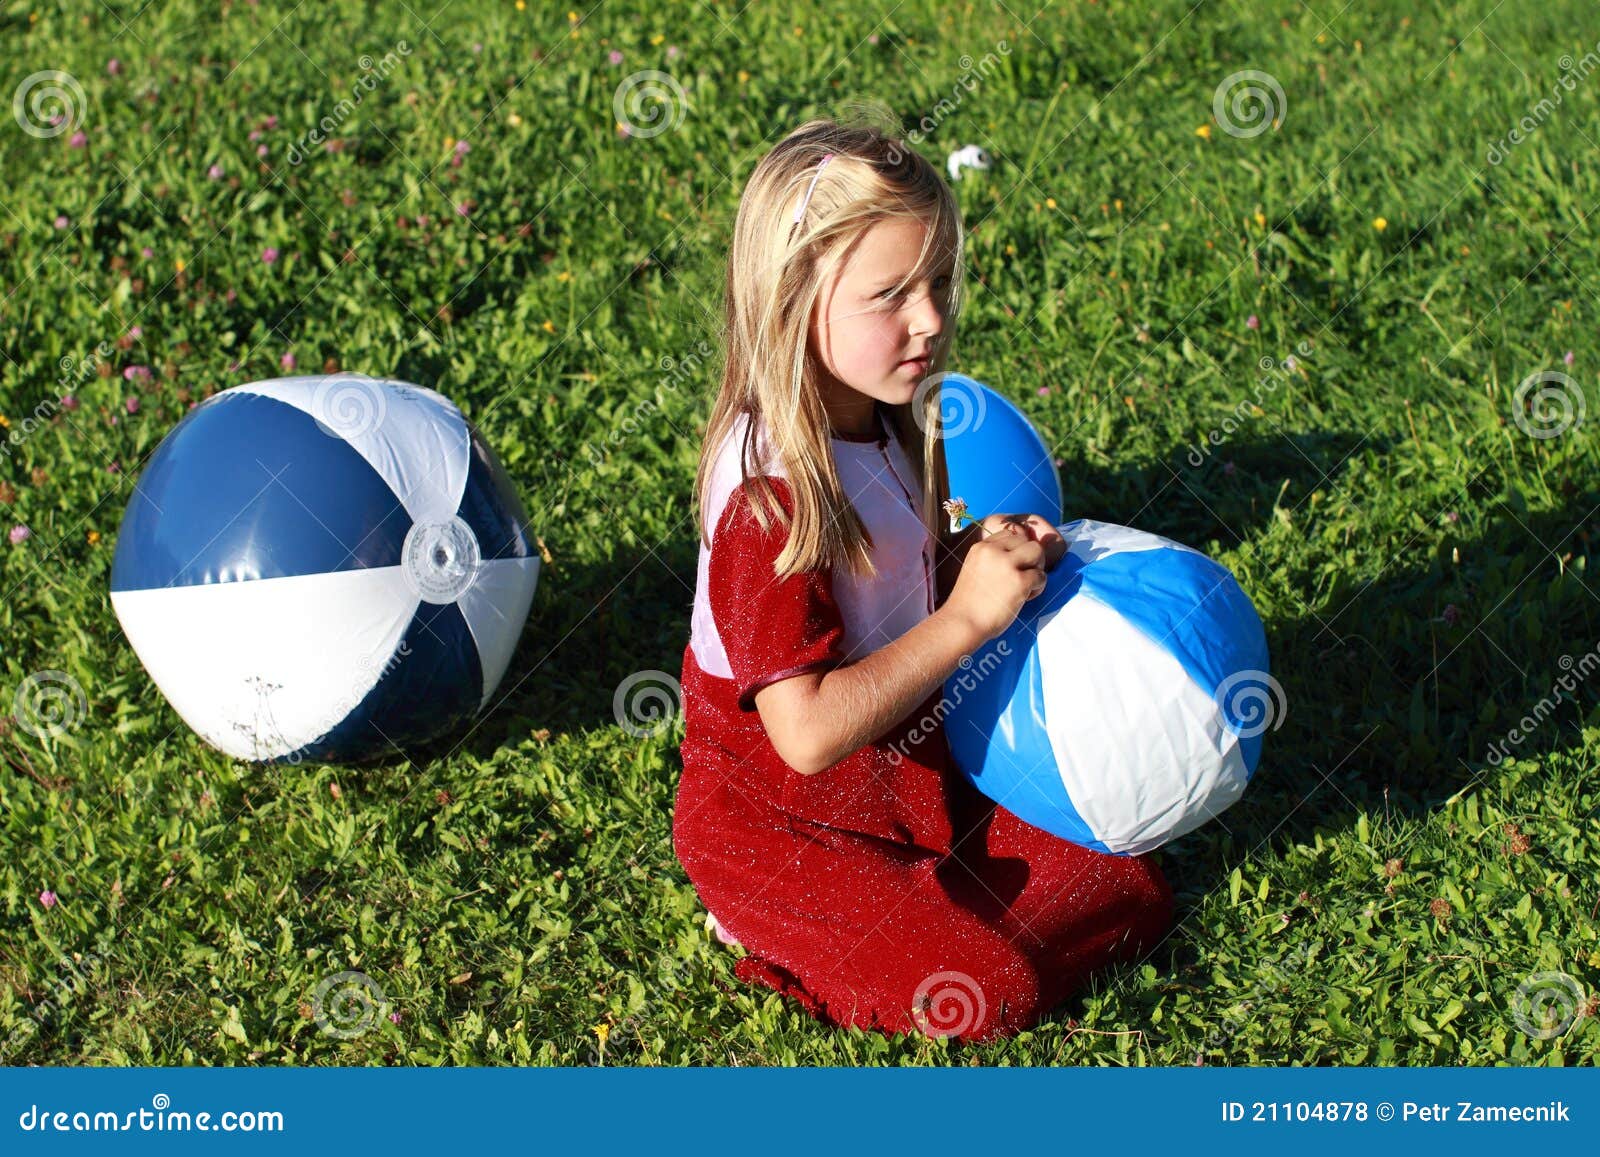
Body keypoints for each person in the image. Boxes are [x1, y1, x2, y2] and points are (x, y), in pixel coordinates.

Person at [672, 117, 1174, 1043]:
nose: (932, 318)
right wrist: (968, 620)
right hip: (783, 824)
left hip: (908, 770)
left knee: (1130, 875)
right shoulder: (766, 496)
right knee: (984, 990)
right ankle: (766, 924)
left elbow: (890, 581)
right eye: (891, 293)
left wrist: (973, 556)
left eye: (938, 282)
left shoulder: (885, 417)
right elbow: (809, 735)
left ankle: (924, 902)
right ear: (792, 301)